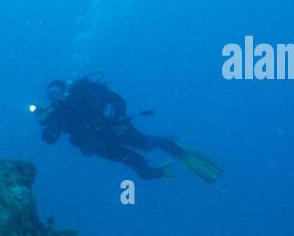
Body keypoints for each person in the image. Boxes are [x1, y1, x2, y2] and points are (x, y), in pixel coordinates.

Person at [37, 75, 223, 183]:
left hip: (113, 129)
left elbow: (116, 100)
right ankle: (158, 172)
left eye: (56, 92)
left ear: (65, 90)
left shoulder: (83, 94)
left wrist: (118, 120)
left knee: (146, 145)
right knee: (140, 168)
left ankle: (174, 148)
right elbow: (51, 138)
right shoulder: (57, 115)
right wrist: (45, 127)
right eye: (49, 95)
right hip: (98, 145)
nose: (53, 98)